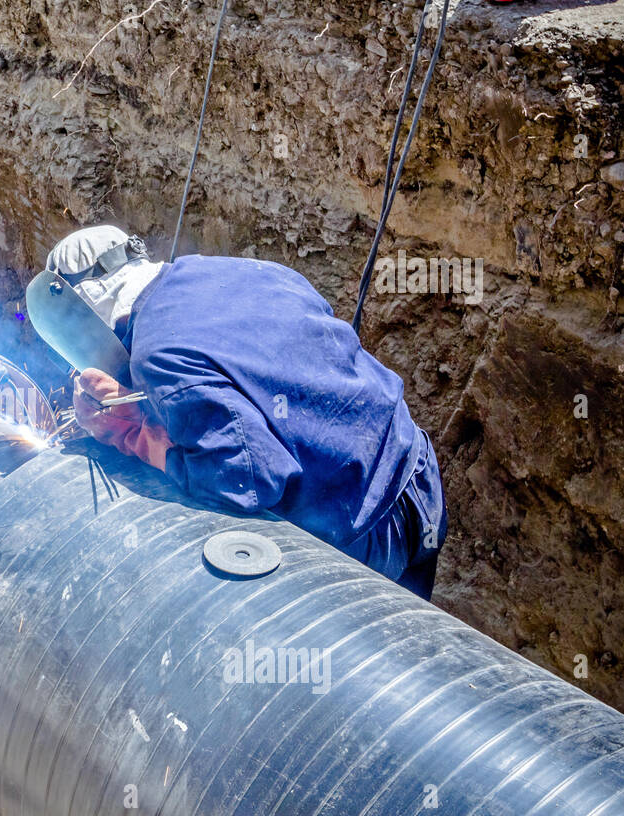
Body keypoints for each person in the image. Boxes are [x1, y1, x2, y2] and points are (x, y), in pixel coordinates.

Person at [26, 225, 446, 599]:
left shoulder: (159, 355)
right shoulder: (239, 271)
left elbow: (246, 478)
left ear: (93, 316)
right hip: (417, 474)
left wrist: (136, 436)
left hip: (365, 527)